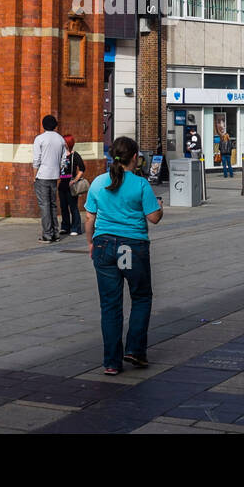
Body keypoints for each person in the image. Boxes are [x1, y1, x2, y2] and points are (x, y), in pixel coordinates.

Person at [84, 136, 163, 376]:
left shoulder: (98, 182)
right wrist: (159, 206)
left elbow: (89, 218)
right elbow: (154, 218)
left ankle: (111, 362)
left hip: (104, 246)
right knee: (140, 297)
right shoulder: (140, 184)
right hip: (132, 247)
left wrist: (90, 243)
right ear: (135, 158)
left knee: (110, 305)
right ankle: (135, 350)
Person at [32, 114, 64, 243]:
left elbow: (36, 159)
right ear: (55, 125)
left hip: (43, 175)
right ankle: (55, 233)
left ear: (43, 125)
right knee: (53, 205)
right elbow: (64, 159)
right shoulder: (61, 139)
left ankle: (47, 234)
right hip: (54, 176)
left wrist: (34, 175)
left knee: (44, 205)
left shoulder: (40, 139)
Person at [58, 133, 85, 237]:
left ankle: (76, 228)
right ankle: (65, 227)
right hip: (62, 184)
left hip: (71, 184)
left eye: (64, 142)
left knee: (73, 207)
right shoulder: (61, 155)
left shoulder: (75, 155)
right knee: (63, 207)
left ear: (68, 143)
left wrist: (75, 180)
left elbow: (82, 168)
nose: (62, 143)